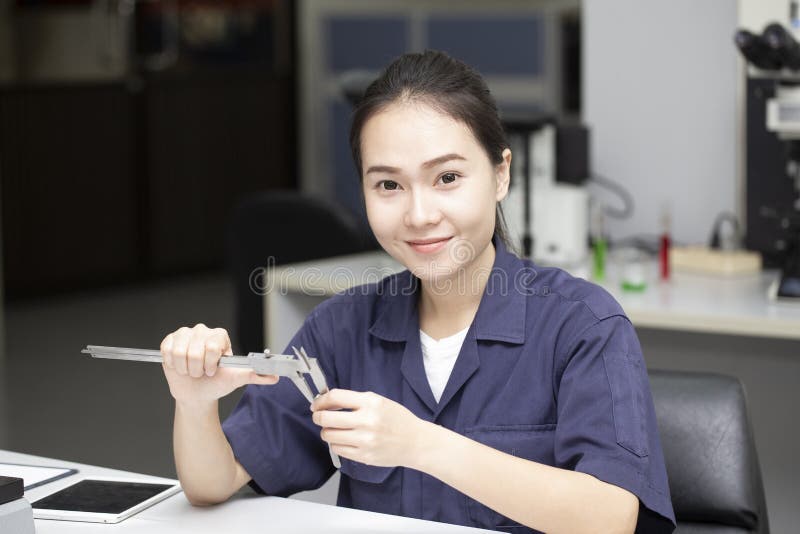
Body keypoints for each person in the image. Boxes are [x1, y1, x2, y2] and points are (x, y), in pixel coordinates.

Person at [160, 50, 676, 533]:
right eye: (388, 185)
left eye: (447, 177)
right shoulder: (342, 330)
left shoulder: (582, 324)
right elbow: (212, 483)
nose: (419, 215)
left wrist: (420, 445)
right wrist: (194, 402)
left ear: (500, 174)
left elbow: (609, 516)